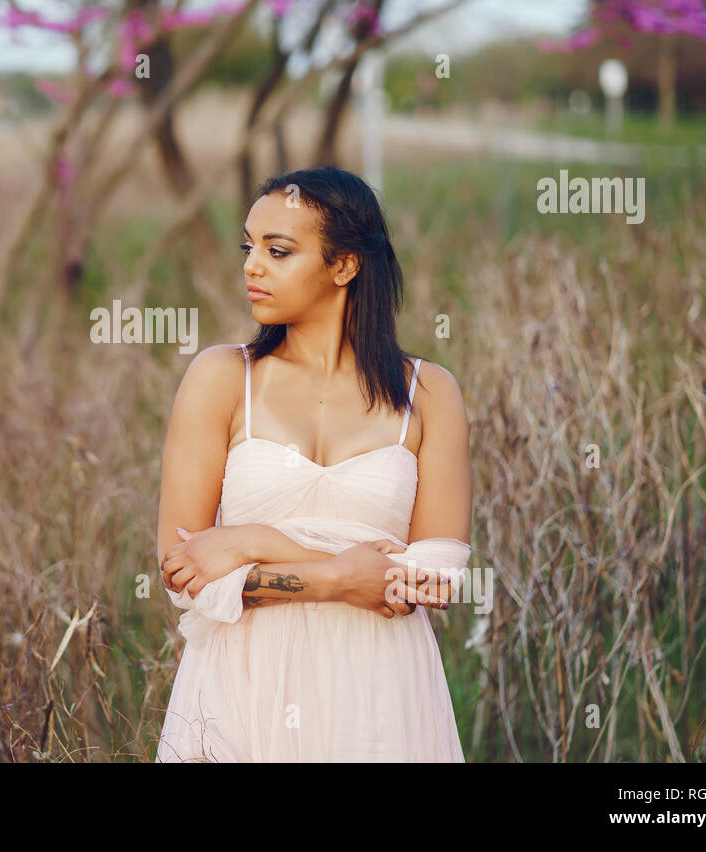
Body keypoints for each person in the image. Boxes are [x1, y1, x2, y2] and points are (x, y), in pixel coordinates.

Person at [154, 166, 472, 762]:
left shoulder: (429, 393)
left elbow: (434, 576)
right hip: (243, 686)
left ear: (344, 265)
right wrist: (336, 578)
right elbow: (184, 573)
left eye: (278, 251)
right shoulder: (223, 378)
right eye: (249, 247)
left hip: (378, 693)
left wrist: (248, 542)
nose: (251, 266)